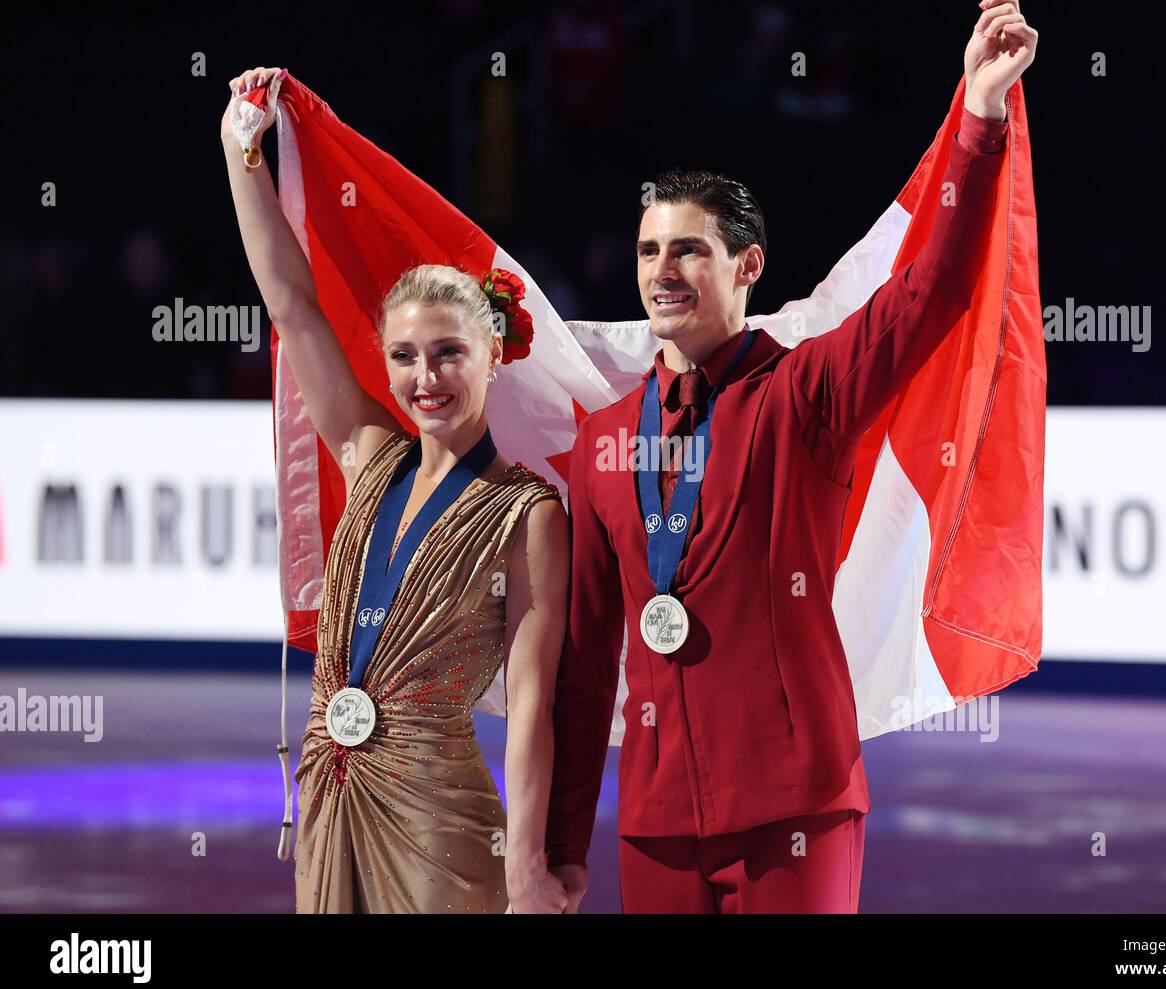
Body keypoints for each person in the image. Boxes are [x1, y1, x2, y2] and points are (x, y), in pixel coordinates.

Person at [544, 1, 1039, 913]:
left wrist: (978, 117)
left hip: (796, 811)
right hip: (656, 824)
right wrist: (560, 844)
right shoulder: (604, 439)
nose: (662, 271)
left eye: (689, 250)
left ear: (748, 267)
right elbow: (582, 664)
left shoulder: (804, 396)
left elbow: (925, 297)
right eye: (651, 249)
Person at [221, 66, 571, 913]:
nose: (427, 377)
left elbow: (530, 705)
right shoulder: (368, 452)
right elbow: (293, 306)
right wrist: (243, 156)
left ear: (493, 356)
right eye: (406, 356)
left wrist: (525, 862)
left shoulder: (530, 515)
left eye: (450, 352)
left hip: (440, 818)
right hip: (331, 793)